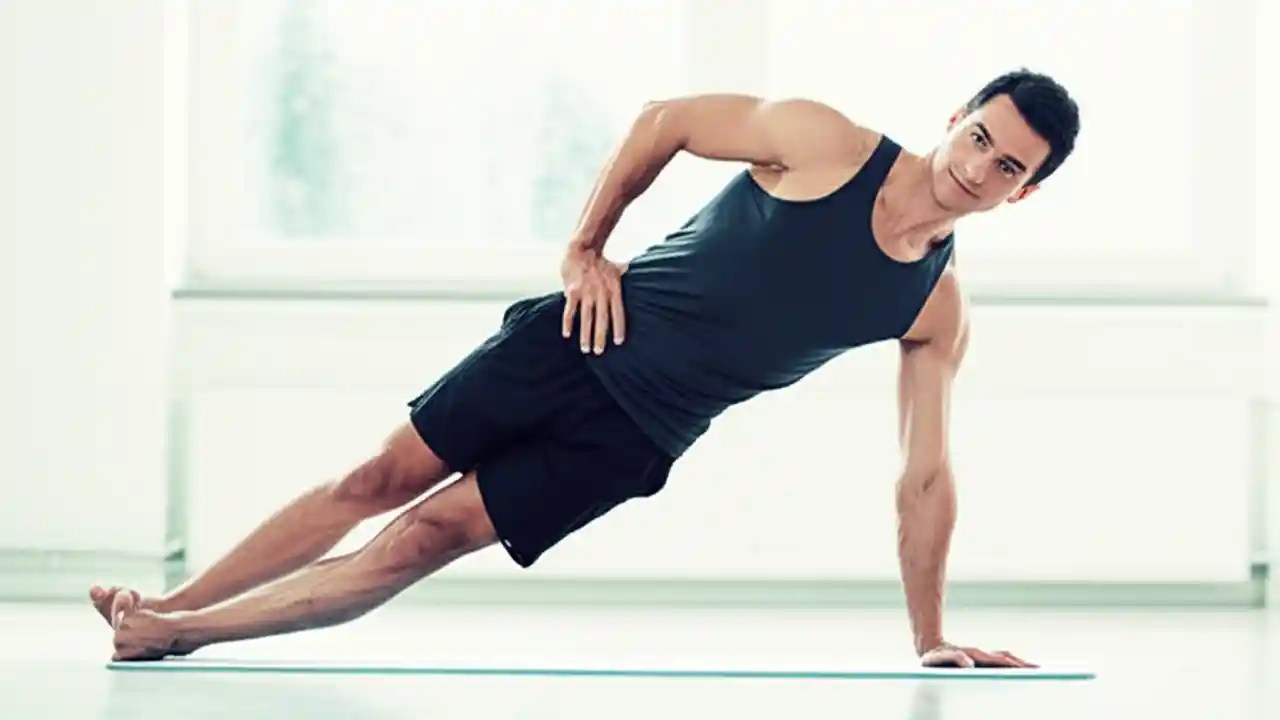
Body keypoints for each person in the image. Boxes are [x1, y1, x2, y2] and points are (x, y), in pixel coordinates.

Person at [93, 68, 1079, 668]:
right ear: (955, 115)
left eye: (1005, 167)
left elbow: (923, 478)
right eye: (978, 135)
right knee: (375, 481)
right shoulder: (826, 142)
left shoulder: (930, 308)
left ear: (1021, 195)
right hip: (578, 339)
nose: (974, 165)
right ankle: (168, 611)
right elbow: (666, 120)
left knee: (420, 539)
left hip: (630, 439)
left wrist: (929, 635)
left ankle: (180, 633)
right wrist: (583, 249)